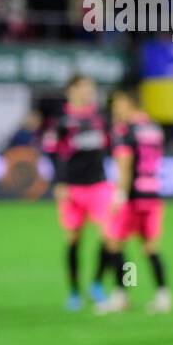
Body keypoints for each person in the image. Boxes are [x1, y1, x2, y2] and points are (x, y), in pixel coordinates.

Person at [94, 87, 172, 314]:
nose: (115, 108)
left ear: (128, 103)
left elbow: (125, 164)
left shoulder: (125, 129)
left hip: (132, 196)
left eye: (118, 103)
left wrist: (119, 195)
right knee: (150, 247)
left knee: (114, 242)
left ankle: (121, 294)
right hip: (153, 193)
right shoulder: (153, 127)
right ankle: (163, 295)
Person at [42, 74, 115, 311]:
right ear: (71, 90)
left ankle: (96, 284)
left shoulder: (100, 118)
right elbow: (53, 153)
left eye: (90, 88)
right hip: (72, 187)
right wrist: (60, 182)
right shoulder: (62, 121)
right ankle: (74, 290)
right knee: (74, 239)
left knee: (108, 236)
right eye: (83, 88)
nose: (87, 92)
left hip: (99, 185)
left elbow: (110, 148)